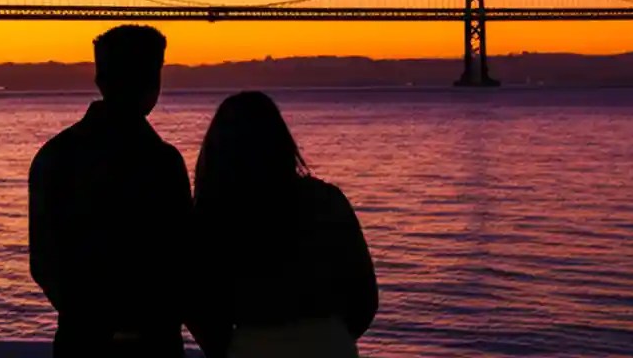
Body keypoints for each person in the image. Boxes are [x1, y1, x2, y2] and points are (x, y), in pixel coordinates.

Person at [28, 25, 192, 358]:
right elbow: (185, 257)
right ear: (154, 84)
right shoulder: (163, 162)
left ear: (100, 80)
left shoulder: (53, 156)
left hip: (80, 342)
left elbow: (43, 262)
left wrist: (87, 318)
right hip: (156, 344)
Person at [191, 91, 378, 358]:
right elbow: (365, 297)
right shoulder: (327, 200)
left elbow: (198, 304)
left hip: (250, 348)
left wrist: (228, 347)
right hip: (331, 345)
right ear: (281, 142)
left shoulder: (212, 214)